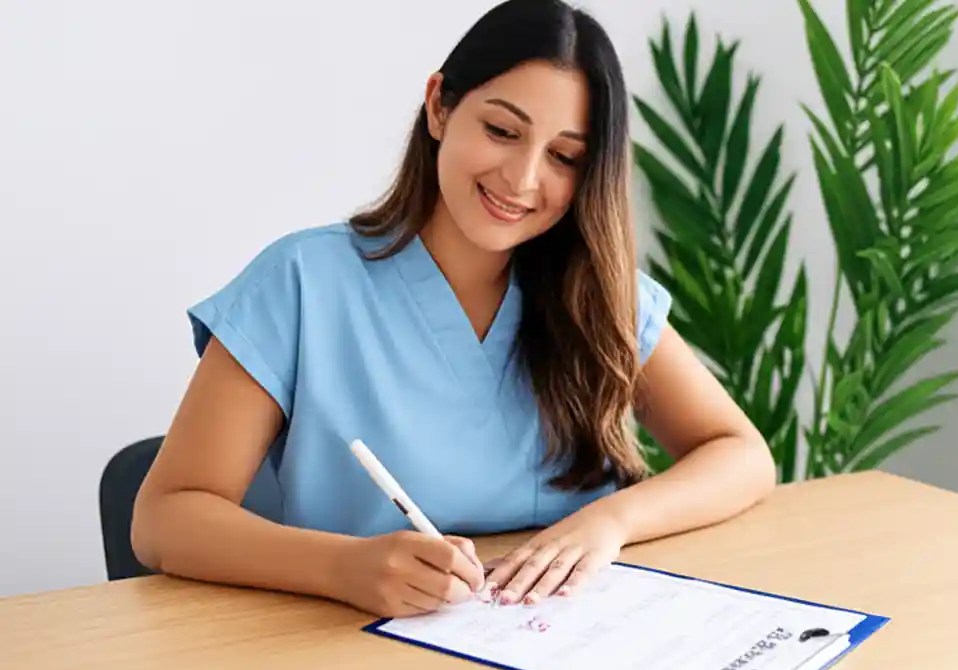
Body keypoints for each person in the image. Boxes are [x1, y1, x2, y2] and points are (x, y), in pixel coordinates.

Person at [131, 0, 775, 619]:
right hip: (352, 649)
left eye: (564, 157)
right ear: (439, 106)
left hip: (568, 645)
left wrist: (611, 522)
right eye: (501, 130)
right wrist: (345, 568)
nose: (523, 179)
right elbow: (167, 516)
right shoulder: (301, 282)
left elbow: (741, 454)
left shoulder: (601, 292)